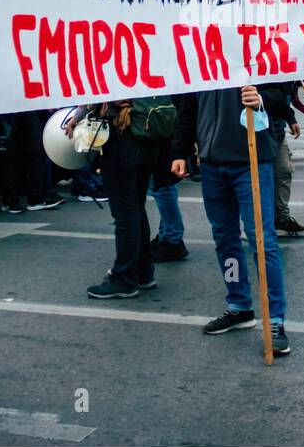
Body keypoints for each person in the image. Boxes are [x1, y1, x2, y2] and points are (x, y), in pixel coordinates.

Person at [171, 84, 292, 356]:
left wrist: (261, 98)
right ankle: (239, 304)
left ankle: (275, 321)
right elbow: (187, 109)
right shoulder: (200, 60)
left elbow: (284, 97)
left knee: (262, 241)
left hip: (251, 161)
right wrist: (180, 151)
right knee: (225, 240)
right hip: (212, 163)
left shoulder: (255, 50)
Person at [66, 100, 175, 298]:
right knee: (136, 207)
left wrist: (76, 118)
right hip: (147, 139)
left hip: (122, 141)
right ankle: (143, 271)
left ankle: (124, 278)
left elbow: (96, 93)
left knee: (125, 213)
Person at [270, 81, 304, 237]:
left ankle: (282, 218)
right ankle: (255, 223)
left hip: (277, 130)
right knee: (260, 179)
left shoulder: (286, 79)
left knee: (284, 172)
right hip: (258, 132)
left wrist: (291, 118)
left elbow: (283, 100)